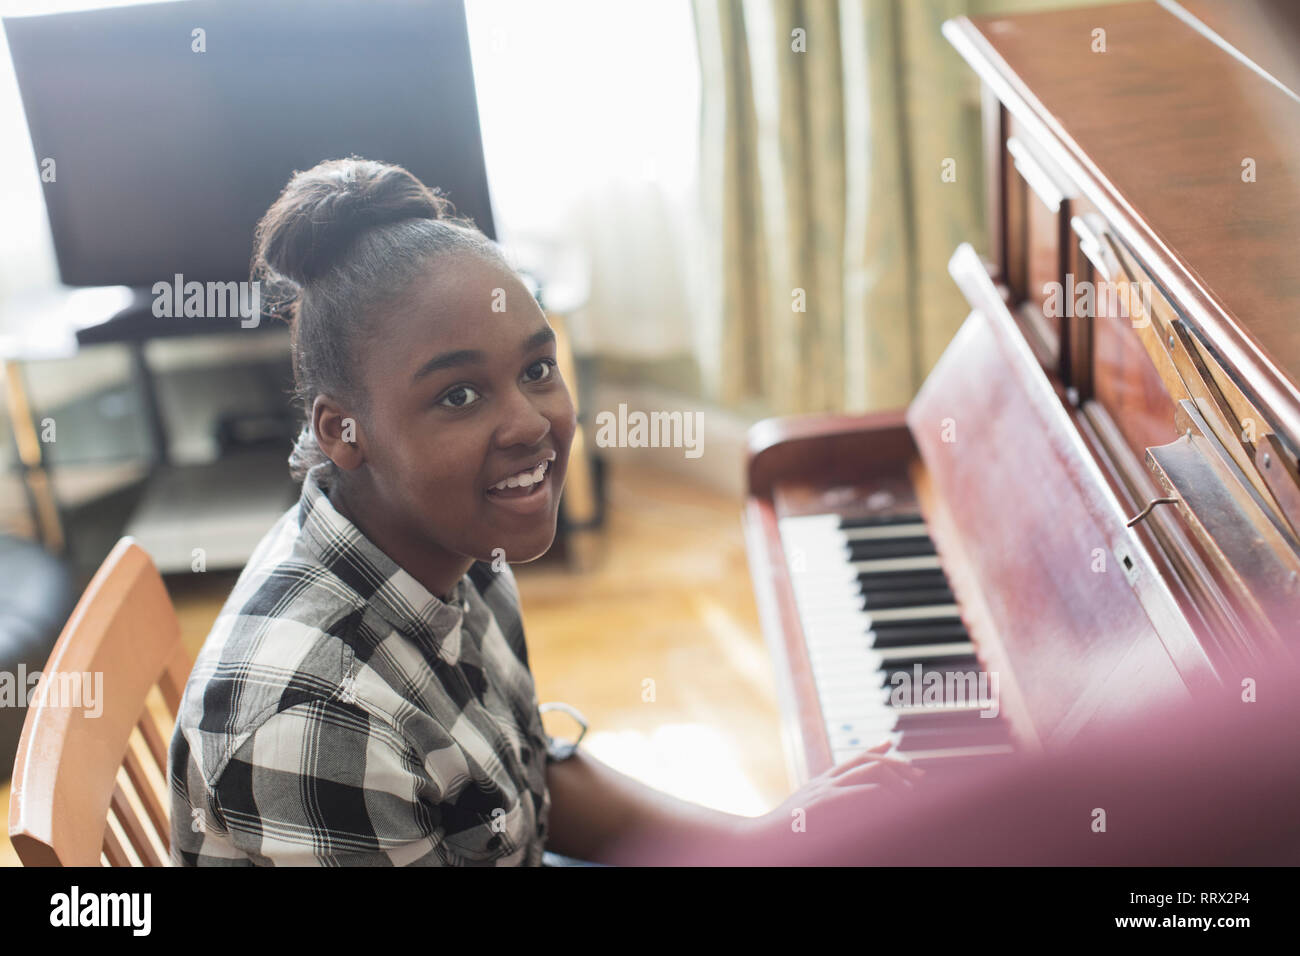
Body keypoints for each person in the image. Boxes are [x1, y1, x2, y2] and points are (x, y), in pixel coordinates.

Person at [167, 157, 918, 866]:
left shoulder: (444, 536)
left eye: (536, 369)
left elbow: (528, 777)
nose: (529, 423)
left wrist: (763, 845)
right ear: (343, 431)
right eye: (458, 395)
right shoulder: (317, 721)